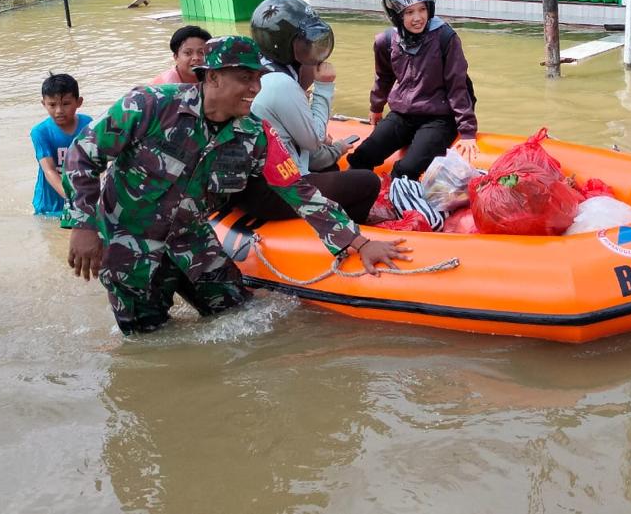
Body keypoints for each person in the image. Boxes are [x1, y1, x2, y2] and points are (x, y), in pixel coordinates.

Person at [63, 36, 411, 335]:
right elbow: (83, 154)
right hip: (129, 242)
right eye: (245, 78)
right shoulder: (149, 105)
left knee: (244, 322)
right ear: (212, 78)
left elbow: (299, 191)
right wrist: (83, 224)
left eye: (258, 78)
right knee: (148, 342)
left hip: (192, 239)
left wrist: (358, 242)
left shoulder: (255, 134)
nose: (255, 89)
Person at [238, 0, 381, 223]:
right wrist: (324, 86)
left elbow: (309, 152)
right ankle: (354, 233)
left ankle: (329, 219)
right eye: (305, 46)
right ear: (284, 46)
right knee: (368, 182)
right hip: (272, 189)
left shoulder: (264, 71)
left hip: (264, 181)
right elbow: (314, 140)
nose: (313, 54)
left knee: (330, 166)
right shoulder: (280, 83)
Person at [347, 0, 478, 180]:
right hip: (402, 115)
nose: (417, 18)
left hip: (439, 118)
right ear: (396, 15)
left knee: (406, 170)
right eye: (409, 12)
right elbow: (384, 77)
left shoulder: (446, 38)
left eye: (422, 10)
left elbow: (458, 85)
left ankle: (399, 204)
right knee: (362, 156)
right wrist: (376, 107)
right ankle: (359, 199)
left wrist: (467, 131)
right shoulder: (386, 41)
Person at [31, 73, 91, 216]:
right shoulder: (40, 132)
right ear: (44, 104)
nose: (59, 111)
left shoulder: (87, 124)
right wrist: (72, 199)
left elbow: (96, 161)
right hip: (50, 206)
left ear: (79, 102)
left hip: (82, 198)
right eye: (52, 105)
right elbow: (49, 170)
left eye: (66, 104)